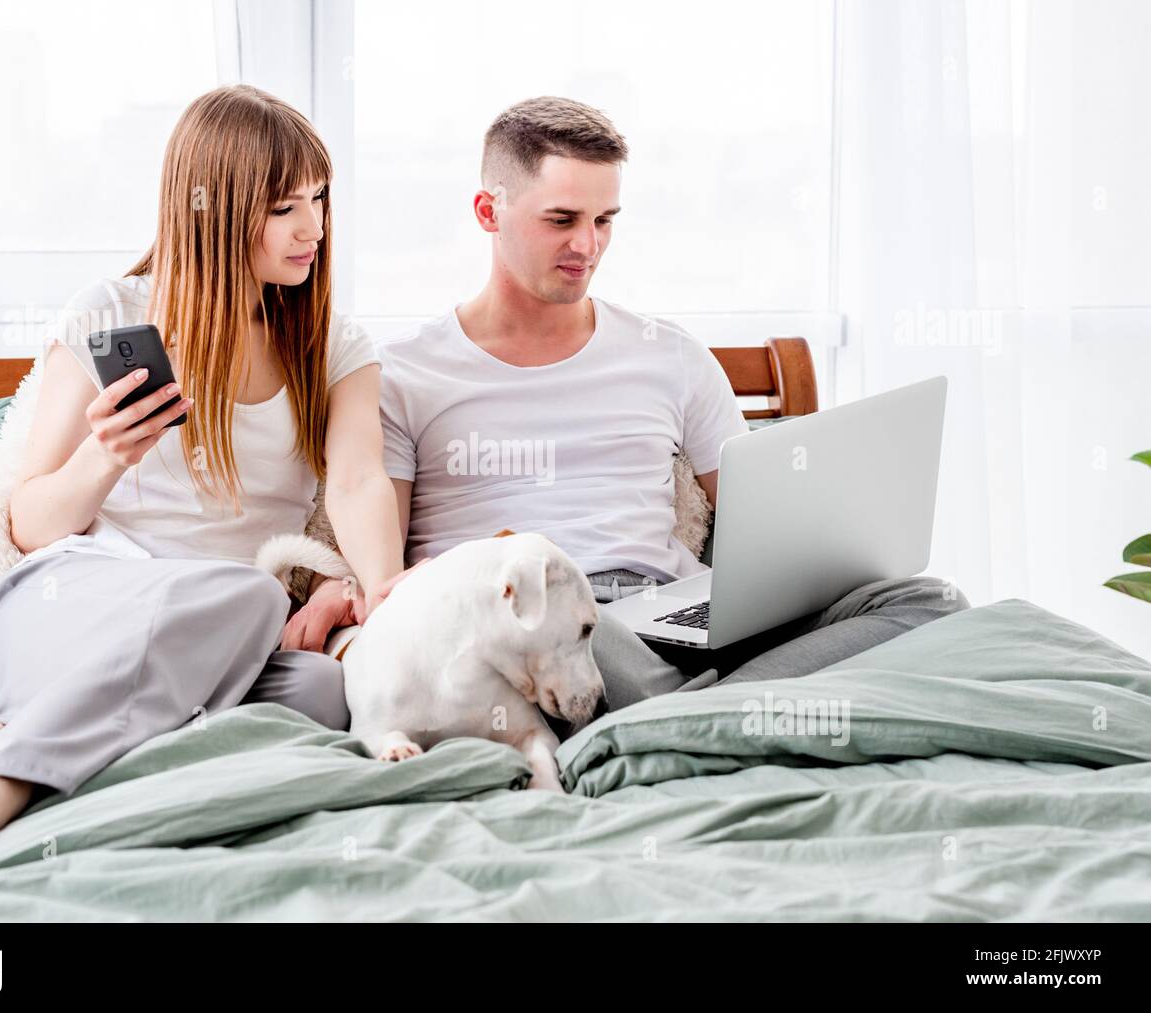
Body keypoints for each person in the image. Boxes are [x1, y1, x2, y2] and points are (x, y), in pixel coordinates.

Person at [292, 95, 969, 725]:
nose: (587, 246)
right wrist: (351, 587)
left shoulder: (667, 355)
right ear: (488, 211)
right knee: (574, 625)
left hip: (667, 616)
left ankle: (696, 718)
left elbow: (765, 524)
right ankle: (733, 711)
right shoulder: (409, 370)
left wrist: (820, 558)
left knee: (927, 601)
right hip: (536, 620)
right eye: (561, 219)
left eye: (603, 221)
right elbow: (384, 549)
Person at [0, 84, 403, 884]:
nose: (313, 227)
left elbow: (362, 480)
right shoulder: (110, 312)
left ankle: (85, 742)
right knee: (256, 596)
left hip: (215, 637)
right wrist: (105, 457)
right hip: (74, 605)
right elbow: (27, 524)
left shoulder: (333, 343)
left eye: (319, 198)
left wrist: (386, 590)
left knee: (330, 689)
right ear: (215, 209)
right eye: (283, 207)